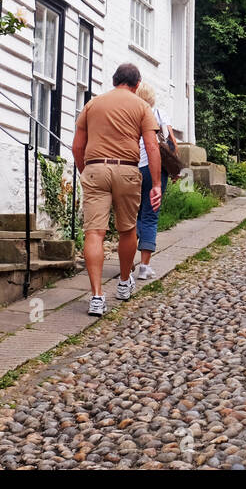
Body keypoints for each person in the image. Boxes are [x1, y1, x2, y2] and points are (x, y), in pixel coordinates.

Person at [72, 63, 162, 316]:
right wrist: (156, 184)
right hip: (127, 170)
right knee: (127, 229)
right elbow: (152, 147)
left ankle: (97, 297)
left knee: (94, 232)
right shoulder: (142, 107)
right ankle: (124, 283)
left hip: (95, 168)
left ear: (114, 80)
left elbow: (77, 146)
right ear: (136, 84)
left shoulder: (92, 104)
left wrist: (86, 172)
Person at [132, 81, 171, 282]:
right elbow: (171, 142)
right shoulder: (158, 114)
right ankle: (144, 267)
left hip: (130, 167)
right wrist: (175, 169)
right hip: (153, 168)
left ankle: (127, 261)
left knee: (131, 217)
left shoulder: (127, 113)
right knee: (150, 215)